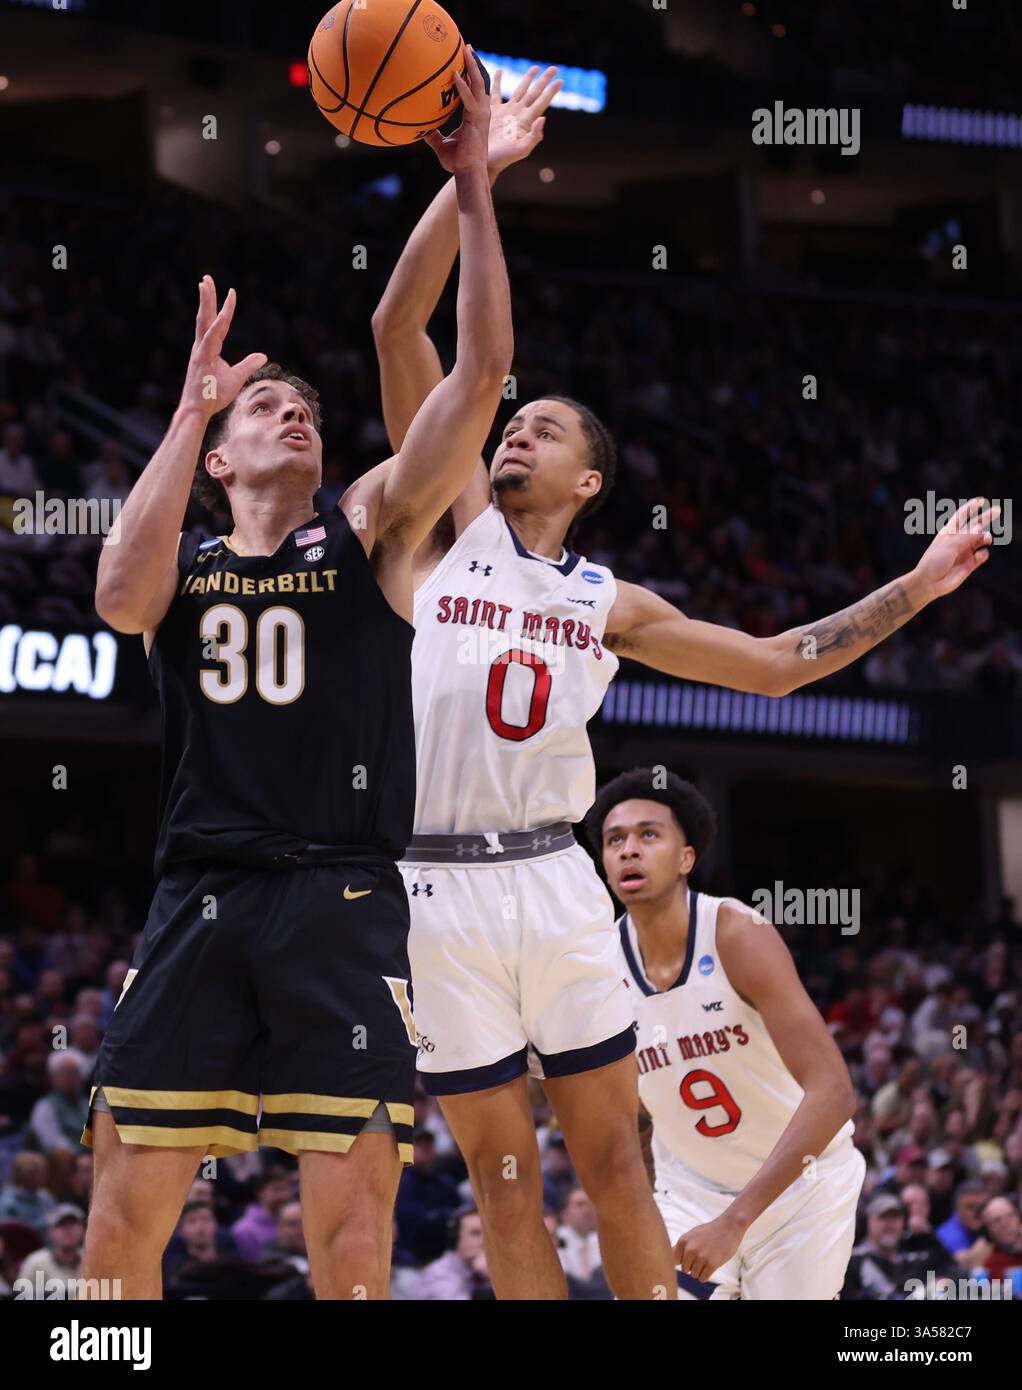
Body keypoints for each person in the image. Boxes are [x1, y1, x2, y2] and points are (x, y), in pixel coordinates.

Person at [371, 58, 1000, 1300]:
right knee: (502, 1180)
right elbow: (402, 327)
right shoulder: (441, 524)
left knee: (612, 1163)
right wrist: (473, 176)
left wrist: (916, 589)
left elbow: (771, 670)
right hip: (432, 872)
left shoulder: (610, 603)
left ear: (589, 483)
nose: (513, 432)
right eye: (512, 421)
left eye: (541, 429)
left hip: (553, 873)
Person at [79, 50, 512, 1302]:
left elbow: (474, 377)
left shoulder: (367, 531)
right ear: (220, 458)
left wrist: (473, 184)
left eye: (308, 410)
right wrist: (188, 408)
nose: (299, 415)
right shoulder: (187, 554)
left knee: (356, 1250)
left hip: (340, 897)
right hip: (200, 893)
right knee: (116, 1244)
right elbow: (118, 597)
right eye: (268, 411)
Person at [589, 768, 865, 1299]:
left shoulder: (737, 935)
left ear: (686, 858)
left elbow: (835, 1092)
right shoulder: (597, 967)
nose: (629, 850)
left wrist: (736, 1221)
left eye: (649, 834)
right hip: (691, 1191)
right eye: (615, 840)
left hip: (801, 1191)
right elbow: (628, 1112)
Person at [842, 1193, 954, 1300]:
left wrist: (930, 1235)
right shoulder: (854, 1261)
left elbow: (953, 1270)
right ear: (868, 1222)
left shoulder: (916, 1252)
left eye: (895, 1218)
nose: (890, 1225)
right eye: (883, 1217)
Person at [415, 1205, 492, 1300]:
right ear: (455, 1238)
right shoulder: (437, 1275)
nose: (484, 1240)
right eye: (475, 1233)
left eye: (487, 1234)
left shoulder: (483, 1271)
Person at [18, 1204, 85, 1298]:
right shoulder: (35, 1263)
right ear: (50, 1232)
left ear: (83, 1229)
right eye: (61, 1225)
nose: (68, 1230)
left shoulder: (92, 1259)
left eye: (73, 1224)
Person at [229, 1168, 295, 1264]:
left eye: (286, 1189)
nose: (283, 1196)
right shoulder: (244, 1230)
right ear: (260, 1192)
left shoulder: (297, 1222)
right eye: (276, 1190)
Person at [0, 1152, 55, 1233]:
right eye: (40, 1172)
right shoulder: (8, 1204)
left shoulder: (46, 1197)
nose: (46, 1176)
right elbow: (12, 1234)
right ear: (27, 1174)